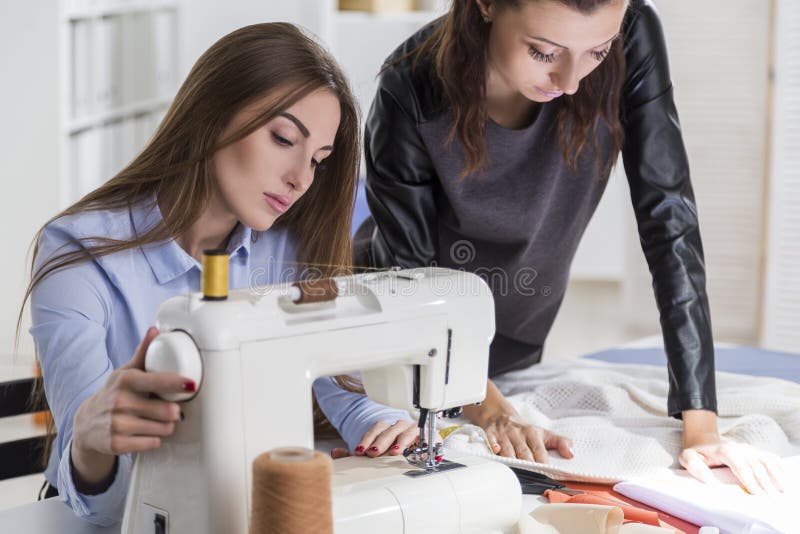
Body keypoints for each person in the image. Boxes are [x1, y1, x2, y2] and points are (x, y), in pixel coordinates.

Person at [355, 0, 785, 494]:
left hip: (519, 332)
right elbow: (412, 278)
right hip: (415, 333)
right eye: (543, 52)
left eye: (597, 52)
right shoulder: (408, 89)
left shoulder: (634, 33)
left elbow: (669, 220)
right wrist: (488, 406)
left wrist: (701, 424)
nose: (572, 81)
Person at [21, 23, 424, 526]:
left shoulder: (288, 244)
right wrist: (90, 438)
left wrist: (382, 424)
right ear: (211, 116)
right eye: (283, 139)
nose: (301, 179)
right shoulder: (80, 252)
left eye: (318, 160)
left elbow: (332, 379)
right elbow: (104, 509)